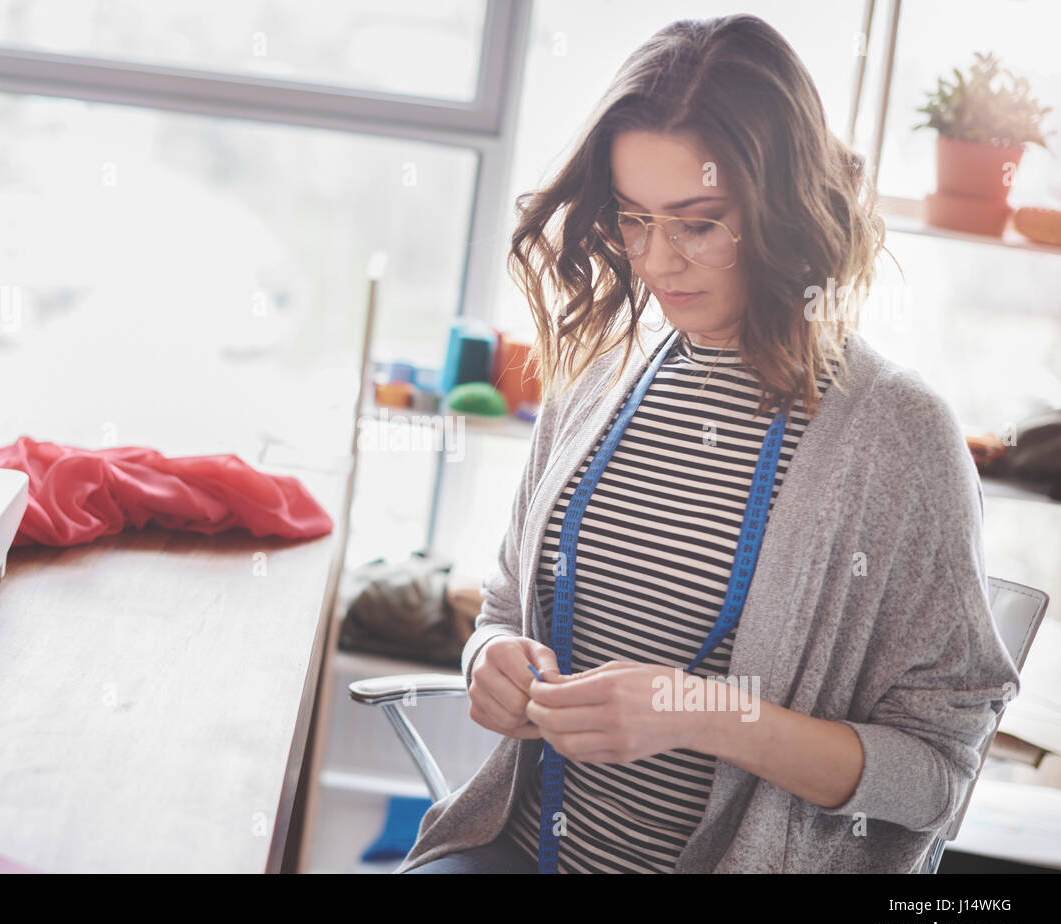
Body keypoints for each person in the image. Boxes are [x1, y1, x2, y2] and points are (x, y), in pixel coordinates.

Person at [399, 14, 1020, 874]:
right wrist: (489, 656)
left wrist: (700, 711)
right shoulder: (595, 377)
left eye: (699, 222)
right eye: (633, 218)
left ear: (784, 206)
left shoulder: (897, 436)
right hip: (519, 851)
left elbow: (937, 777)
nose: (658, 262)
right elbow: (505, 605)